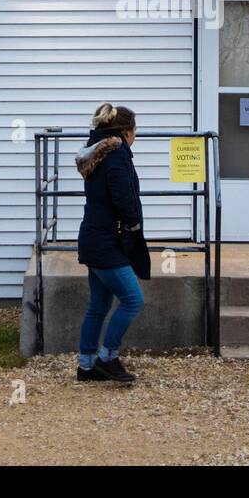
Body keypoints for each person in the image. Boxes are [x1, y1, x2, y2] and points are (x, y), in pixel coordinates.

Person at [74, 102, 149, 384]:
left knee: (98, 305)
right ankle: (107, 357)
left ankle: (86, 366)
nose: (136, 136)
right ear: (127, 132)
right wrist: (133, 225)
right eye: (135, 130)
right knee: (133, 299)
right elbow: (123, 195)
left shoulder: (97, 153)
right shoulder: (117, 156)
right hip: (107, 241)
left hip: (93, 237)